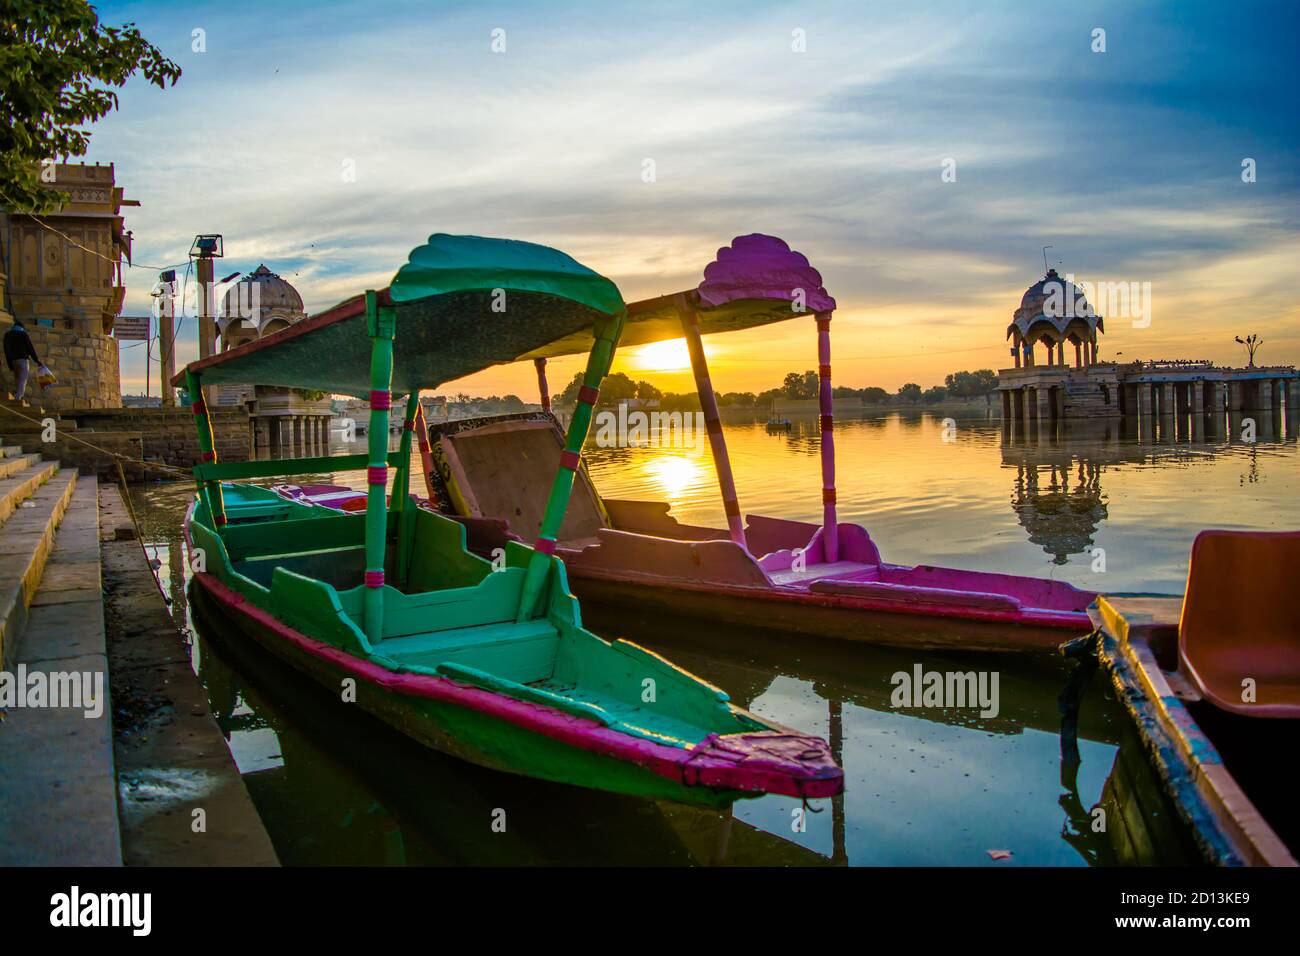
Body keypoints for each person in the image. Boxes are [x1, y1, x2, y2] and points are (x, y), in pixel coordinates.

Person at [4, 319, 42, 402]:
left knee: (17, 379)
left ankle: (17, 396)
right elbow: (30, 349)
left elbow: (6, 350)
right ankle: (18, 399)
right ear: (22, 327)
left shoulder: (7, 335)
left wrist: (10, 364)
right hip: (23, 360)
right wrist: (37, 360)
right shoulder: (23, 335)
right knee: (22, 380)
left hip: (13, 361)